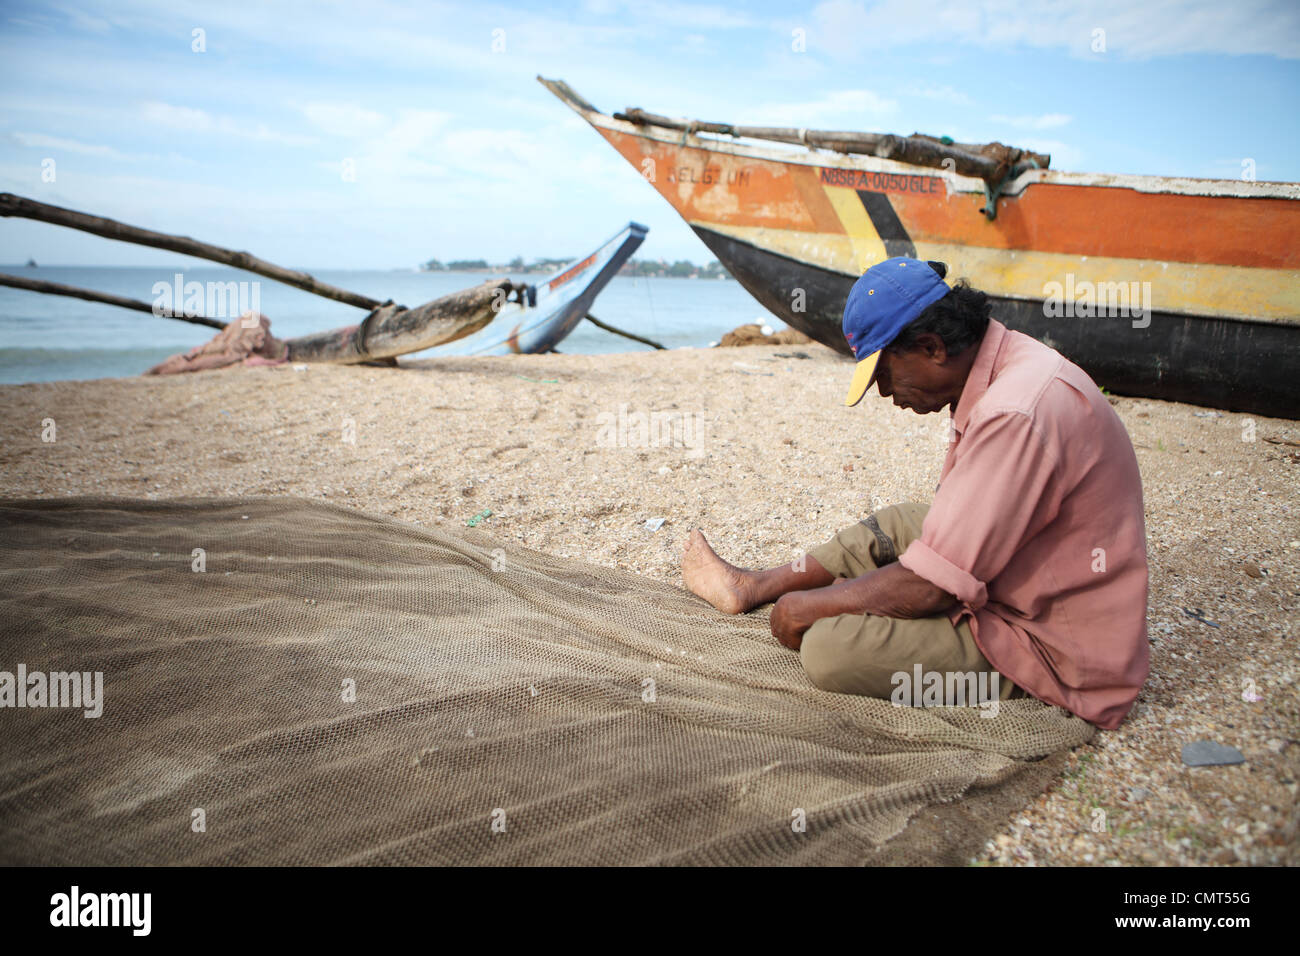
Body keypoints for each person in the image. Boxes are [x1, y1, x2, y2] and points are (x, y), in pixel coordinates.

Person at [681, 257, 1149, 729]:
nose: (884, 393)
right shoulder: (1008, 360)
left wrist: (816, 606)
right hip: (1030, 570)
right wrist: (851, 595)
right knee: (902, 521)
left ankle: (1020, 679)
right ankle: (754, 585)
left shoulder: (1014, 411)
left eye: (884, 373)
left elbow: (931, 588)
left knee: (828, 649)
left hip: (1054, 646)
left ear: (931, 347)